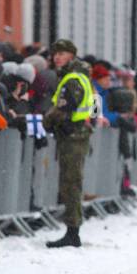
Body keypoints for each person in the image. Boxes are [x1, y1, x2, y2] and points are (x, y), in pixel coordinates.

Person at [42, 39, 95, 249]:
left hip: (72, 137)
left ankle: (72, 232)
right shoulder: (81, 76)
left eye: (62, 53)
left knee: (70, 184)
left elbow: (62, 109)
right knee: (72, 183)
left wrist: (47, 121)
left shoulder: (72, 79)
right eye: (55, 53)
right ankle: (73, 230)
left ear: (71, 56)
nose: (57, 57)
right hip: (77, 135)